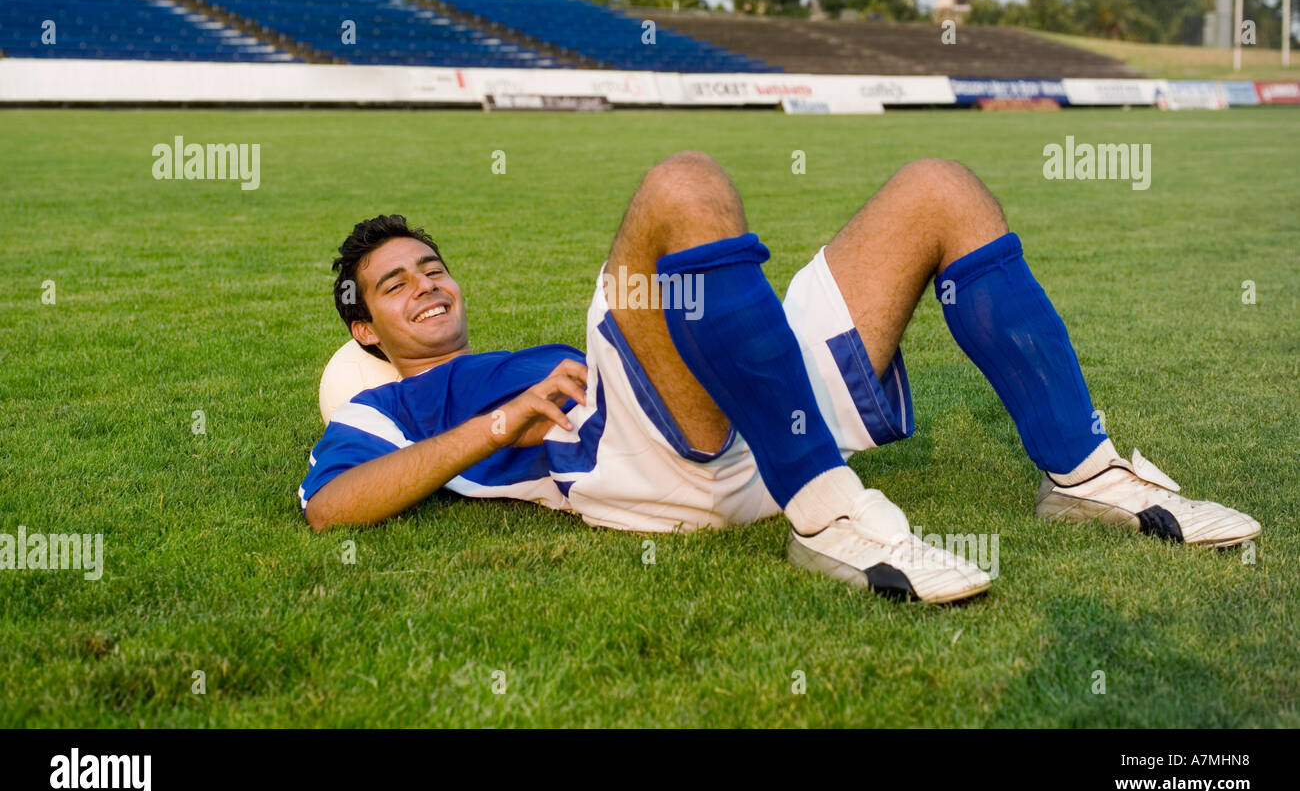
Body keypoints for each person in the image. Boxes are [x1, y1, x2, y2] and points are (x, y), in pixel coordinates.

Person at [299, 152, 1260, 604]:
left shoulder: (502, 354)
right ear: (364, 327)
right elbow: (331, 507)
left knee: (938, 188)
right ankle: (829, 511)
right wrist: (498, 420)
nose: (425, 286)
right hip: (652, 464)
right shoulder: (383, 402)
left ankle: (1084, 473)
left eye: (432, 268)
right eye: (395, 285)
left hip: (745, 413)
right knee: (680, 185)